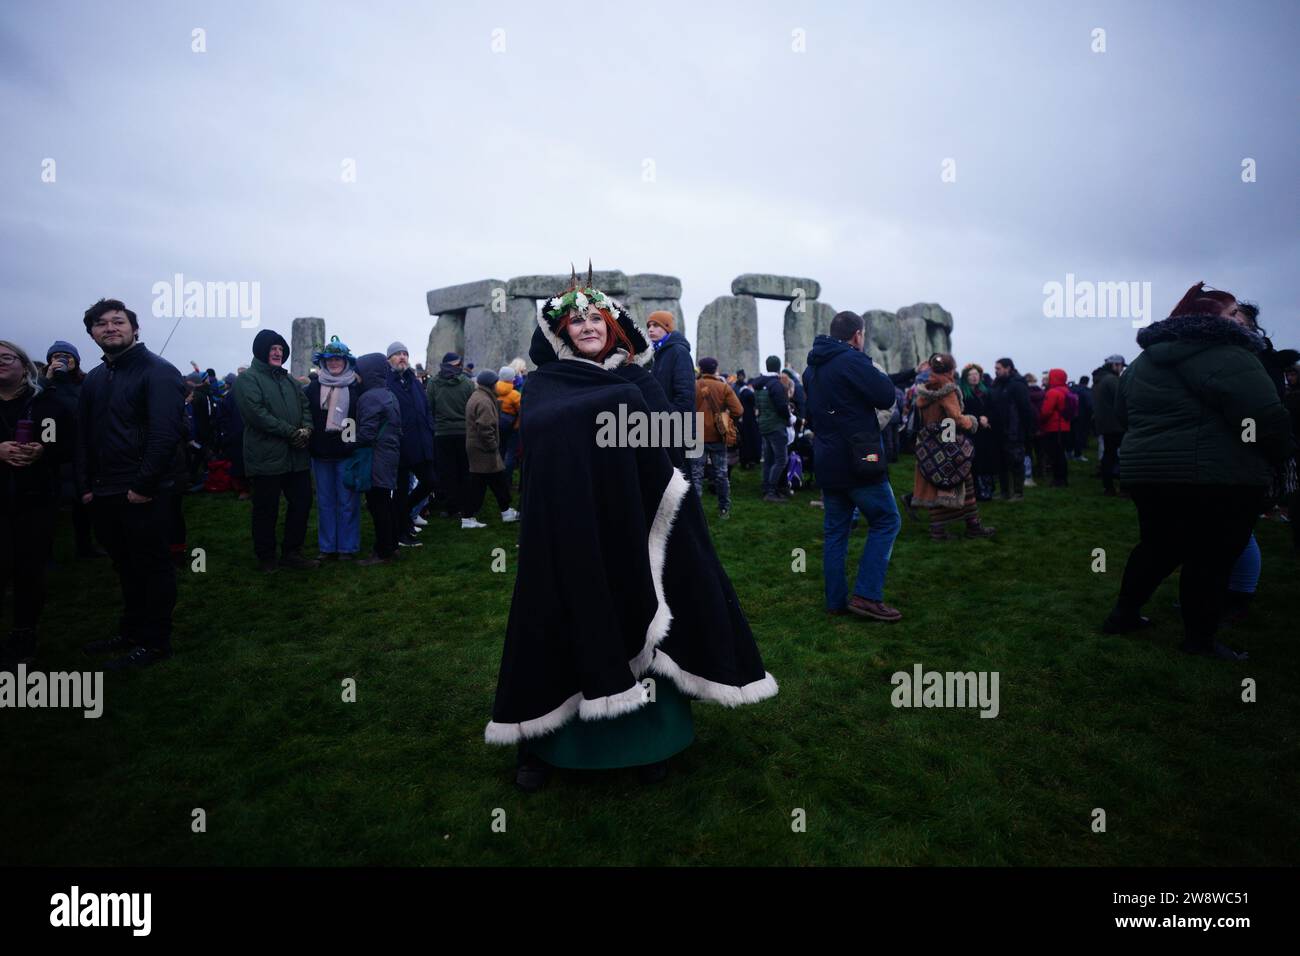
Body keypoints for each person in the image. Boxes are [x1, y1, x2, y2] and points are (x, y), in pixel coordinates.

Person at [491, 273, 776, 793]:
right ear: (561, 332)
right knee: (560, 619)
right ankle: (547, 745)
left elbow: (675, 440)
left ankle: (647, 743)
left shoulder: (637, 380)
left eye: (595, 317)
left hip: (637, 525)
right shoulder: (547, 385)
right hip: (569, 530)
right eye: (575, 320)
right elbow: (542, 446)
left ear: (613, 326)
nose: (586, 326)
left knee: (642, 612)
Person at [1102, 282, 1294, 660]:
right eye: (1233, 313)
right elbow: (1263, 418)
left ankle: (1123, 615)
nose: (1242, 320)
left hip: (1149, 475)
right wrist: (1280, 453)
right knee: (1211, 558)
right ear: (1213, 319)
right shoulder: (1229, 355)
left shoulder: (1142, 363)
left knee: (1157, 548)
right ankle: (1200, 640)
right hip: (1217, 476)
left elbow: (1125, 417)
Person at [76, 299, 186, 669]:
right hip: (103, 491)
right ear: (92, 333)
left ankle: (155, 642)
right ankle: (131, 630)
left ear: (134, 329)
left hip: (142, 491)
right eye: (101, 323)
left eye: (118, 321)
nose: (110, 328)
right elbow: (84, 437)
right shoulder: (93, 378)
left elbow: (165, 434)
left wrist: (143, 485)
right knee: (124, 566)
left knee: (152, 566)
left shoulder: (159, 371)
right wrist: (86, 486)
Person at [801, 313, 903, 620]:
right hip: (862, 458)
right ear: (857, 335)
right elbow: (886, 396)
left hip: (828, 458)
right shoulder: (853, 361)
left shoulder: (811, 369)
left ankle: (835, 600)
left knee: (835, 531)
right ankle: (867, 595)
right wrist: (868, 364)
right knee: (887, 520)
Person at [0, 341, 67, 669]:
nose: (0, 363)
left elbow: (60, 441)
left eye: (7, 357)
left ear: (24, 365)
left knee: (29, 567)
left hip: (34, 497)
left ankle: (24, 632)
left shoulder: (44, 404)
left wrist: (43, 450)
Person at [235, 329, 318, 573]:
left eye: (281, 350)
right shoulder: (247, 380)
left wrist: (308, 429)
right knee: (265, 509)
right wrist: (292, 432)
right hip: (266, 456)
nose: (277, 353)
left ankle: (293, 552)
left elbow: (305, 407)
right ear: (261, 350)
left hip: (296, 456)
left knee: (302, 502)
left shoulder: (289, 380)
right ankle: (266, 556)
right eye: (273, 349)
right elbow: (257, 414)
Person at [907, 353, 996, 541]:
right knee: (966, 483)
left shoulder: (925, 389)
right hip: (949, 444)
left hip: (929, 445)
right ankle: (973, 526)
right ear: (951, 369)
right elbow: (955, 418)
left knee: (936, 485)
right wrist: (971, 421)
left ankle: (938, 530)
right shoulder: (947, 390)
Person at [43, 340, 102, 558]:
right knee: (49, 504)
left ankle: (85, 546)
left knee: (83, 502)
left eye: (66, 356)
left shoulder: (85, 383)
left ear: (76, 360)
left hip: (81, 449)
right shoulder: (43, 384)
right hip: (50, 450)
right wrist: (46, 379)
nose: (61, 360)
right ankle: (45, 553)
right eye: (56, 355)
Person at [305, 337, 362, 561]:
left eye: (338, 358)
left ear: (346, 361)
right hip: (321, 453)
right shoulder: (314, 387)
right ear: (324, 362)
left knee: (348, 503)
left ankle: (347, 548)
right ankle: (327, 547)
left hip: (347, 453)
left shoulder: (355, 386)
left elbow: (359, 416)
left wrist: (355, 443)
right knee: (326, 503)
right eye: (330, 359)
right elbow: (308, 416)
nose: (334, 363)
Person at [354, 353, 403, 566]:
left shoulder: (369, 397)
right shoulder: (389, 394)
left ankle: (382, 552)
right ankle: (392, 545)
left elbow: (366, 434)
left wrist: (346, 443)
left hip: (377, 456)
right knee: (386, 502)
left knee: (378, 504)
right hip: (390, 453)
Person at [385, 342, 435, 548]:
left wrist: (430, 428)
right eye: (397, 354)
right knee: (401, 489)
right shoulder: (387, 382)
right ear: (389, 360)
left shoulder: (413, 381)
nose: (402, 357)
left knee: (430, 482)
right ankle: (401, 531)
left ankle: (402, 515)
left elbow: (425, 407)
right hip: (400, 444)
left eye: (405, 353)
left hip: (421, 441)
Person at [462, 368, 518, 529]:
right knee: (482, 484)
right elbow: (485, 428)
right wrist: (493, 446)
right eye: (495, 383)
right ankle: (468, 517)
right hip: (483, 449)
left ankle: (505, 511)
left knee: (493, 481)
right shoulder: (484, 401)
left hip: (479, 448)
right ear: (490, 384)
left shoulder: (480, 396)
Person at [693, 356, 743, 518]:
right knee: (721, 474)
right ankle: (724, 508)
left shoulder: (693, 386)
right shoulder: (724, 387)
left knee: (696, 475)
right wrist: (725, 416)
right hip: (717, 435)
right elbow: (738, 410)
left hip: (696, 435)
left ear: (700, 369)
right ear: (715, 369)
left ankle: (696, 512)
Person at [428, 351, 473, 519]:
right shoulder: (468, 384)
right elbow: (471, 409)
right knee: (465, 471)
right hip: (463, 432)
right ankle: (465, 507)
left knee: (447, 472)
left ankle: (450, 507)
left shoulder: (433, 383)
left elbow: (429, 408)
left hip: (442, 433)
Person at [990, 357, 1034, 501]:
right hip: (998, 429)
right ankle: (1004, 492)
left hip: (1014, 429)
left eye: (998, 368)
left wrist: (1026, 428)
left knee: (1016, 462)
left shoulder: (1017, 384)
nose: (996, 371)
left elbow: (1025, 408)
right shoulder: (997, 384)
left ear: (1008, 368)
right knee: (1001, 462)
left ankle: (1018, 493)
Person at [752, 355, 791, 502]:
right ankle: (771, 491)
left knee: (769, 459)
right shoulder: (775, 384)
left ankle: (766, 486)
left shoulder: (758, 384)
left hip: (763, 424)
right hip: (776, 425)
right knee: (781, 459)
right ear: (778, 367)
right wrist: (789, 419)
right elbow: (781, 406)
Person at [960, 363, 998, 500]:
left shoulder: (985, 391)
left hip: (985, 432)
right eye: (971, 375)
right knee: (974, 462)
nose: (974, 377)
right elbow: (960, 413)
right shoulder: (962, 393)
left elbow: (992, 408)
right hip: (970, 432)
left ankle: (987, 489)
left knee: (986, 461)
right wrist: (977, 419)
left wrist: (987, 418)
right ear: (966, 377)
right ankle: (976, 490)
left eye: (976, 374)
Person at [646, 310, 695, 416]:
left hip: (677, 424)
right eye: (649, 326)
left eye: (655, 325)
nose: (650, 329)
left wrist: (670, 416)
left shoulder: (679, 352)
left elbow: (686, 395)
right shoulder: (659, 352)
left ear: (667, 327)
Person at [1092, 354, 1126, 496]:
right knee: (1124, 455)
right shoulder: (1112, 380)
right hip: (1117, 424)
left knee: (1108, 455)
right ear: (1115, 365)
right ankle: (1125, 488)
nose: (1121, 369)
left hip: (1104, 424)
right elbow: (1123, 399)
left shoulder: (1098, 380)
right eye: (1121, 366)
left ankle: (1108, 488)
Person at [1039, 368, 1072, 486]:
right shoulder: (1066, 390)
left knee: (1055, 455)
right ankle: (1063, 479)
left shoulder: (1052, 392)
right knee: (1061, 454)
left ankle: (1058, 480)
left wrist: (1039, 419)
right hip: (1065, 426)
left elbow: (1046, 411)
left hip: (1054, 427)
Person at [494, 365, 522, 487]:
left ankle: (496, 479)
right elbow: (522, 412)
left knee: (499, 451)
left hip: (496, 425)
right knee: (510, 454)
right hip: (511, 427)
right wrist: (517, 426)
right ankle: (506, 481)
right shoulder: (515, 395)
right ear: (512, 379)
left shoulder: (493, 390)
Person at [733, 370, 761, 468]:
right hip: (746, 419)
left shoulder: (741, 389)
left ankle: (746, 460)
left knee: (746, 440)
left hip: (745, 418)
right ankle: (748, 460)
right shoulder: (745, 390)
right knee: (747, 440)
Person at [1070, 374, 1094, 460]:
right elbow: (1089, 404)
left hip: (1072, 416)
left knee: (1072, 434)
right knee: (1080, 436)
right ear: (1087, 382)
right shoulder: (1086, 391)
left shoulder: (1072, 389)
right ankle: (1078, 454)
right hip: (1083, 416)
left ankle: (1070, 452)